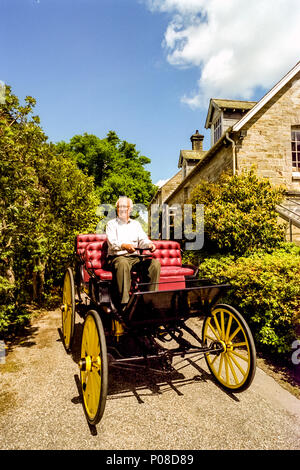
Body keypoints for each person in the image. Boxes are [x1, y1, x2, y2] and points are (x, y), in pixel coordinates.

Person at [106, 196, 161, 309]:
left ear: (130, 209)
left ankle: (149, 300)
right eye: (119, 207)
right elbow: (112, 243)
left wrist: (149, 245)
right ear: (116, 209)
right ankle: (124, 305)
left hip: (135, 258)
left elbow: (143, 240)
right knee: (123, 264)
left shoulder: (136, 224)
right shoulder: (111, 224)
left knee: (154, 264)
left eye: (124, 207)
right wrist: (124, 246)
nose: (121, 209)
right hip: (118, 258)